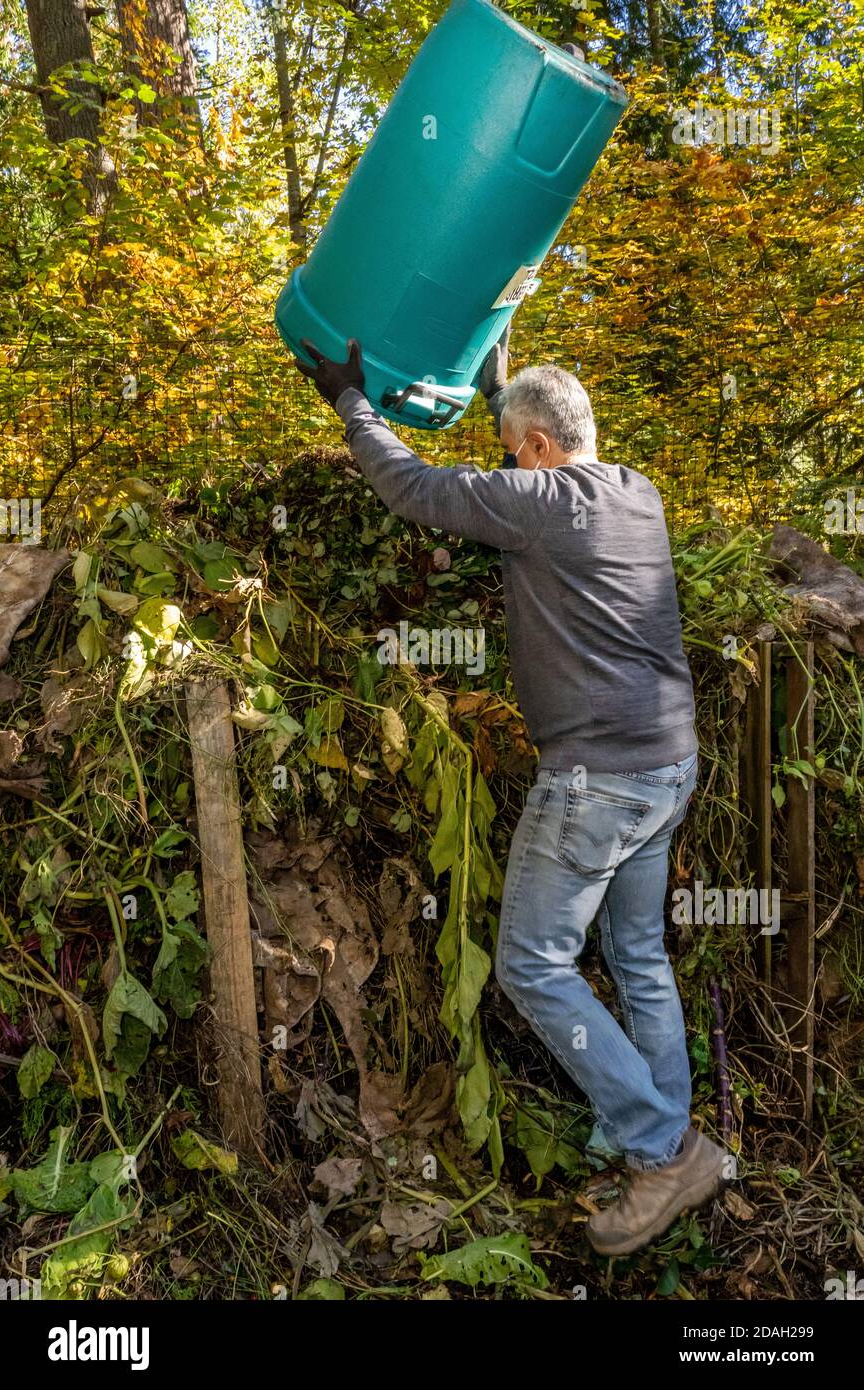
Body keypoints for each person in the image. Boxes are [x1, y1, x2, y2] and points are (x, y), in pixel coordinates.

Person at [293, 331, 727, 1256]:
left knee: (533, 967)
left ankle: (663, 1150)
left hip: (596, 780)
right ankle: (654, 1133)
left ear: (534, 450)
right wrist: (499, 387)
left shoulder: (540, 503)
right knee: (639, 953)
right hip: (668, 764)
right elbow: (531, 461)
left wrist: (351, 403)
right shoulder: (637, 493)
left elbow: (413, 488)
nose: (506, 463)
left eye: (510, 446)